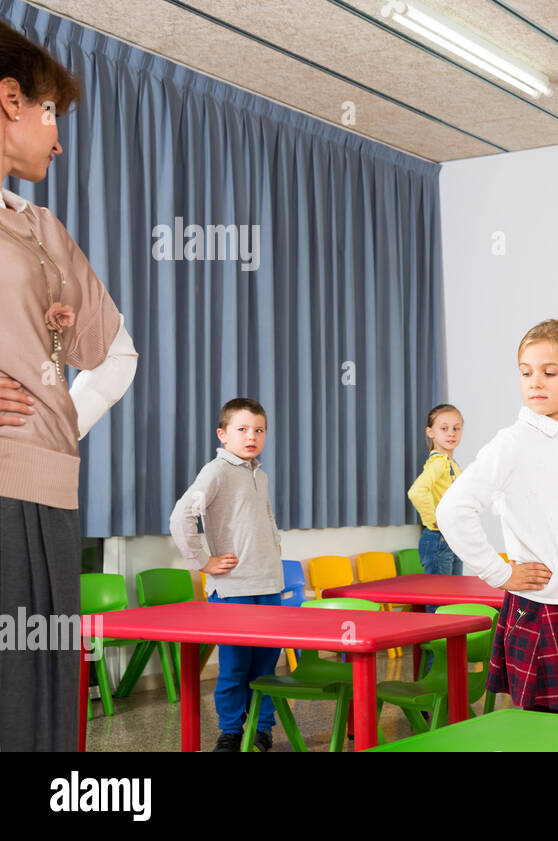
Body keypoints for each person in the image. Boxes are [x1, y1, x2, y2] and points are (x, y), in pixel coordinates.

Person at [0, 21, 138, 751]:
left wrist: (56, 415)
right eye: (50, 112)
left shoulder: (41, 227)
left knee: (46, 713)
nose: (57, 139)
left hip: (48, 490)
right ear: (9, 98)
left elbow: (116, 353)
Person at [436, 319, 558, 713]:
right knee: (545, 728)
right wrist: (499, 572)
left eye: (549, 372)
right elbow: (453, 509)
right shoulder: (512, 442)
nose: (535, 383)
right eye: (526, 373)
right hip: (542, 606)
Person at [169, 398, 284, 752]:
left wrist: (273, 545)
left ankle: (262, 729)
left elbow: (265, 518)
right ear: (223, 434)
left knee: (266, 668)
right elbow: (181, 516)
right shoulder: (216, 471)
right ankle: (231, 732)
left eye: (259, 430)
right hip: (234, 589)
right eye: (243, 429)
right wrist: (202, 562)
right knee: (234, 667)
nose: (252, 436)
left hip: (269, 585)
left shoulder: (259, 474)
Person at [407, 404, 464, 575]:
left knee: (454, 598)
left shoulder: (451, 463)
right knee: (441, 599)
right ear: (430, 432)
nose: (451, 433)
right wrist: (433, 518)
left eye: (456, 428)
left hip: (453, 537)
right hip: (438, 538)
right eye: (444, 428)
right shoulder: (439, 462)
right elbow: (416, 492)